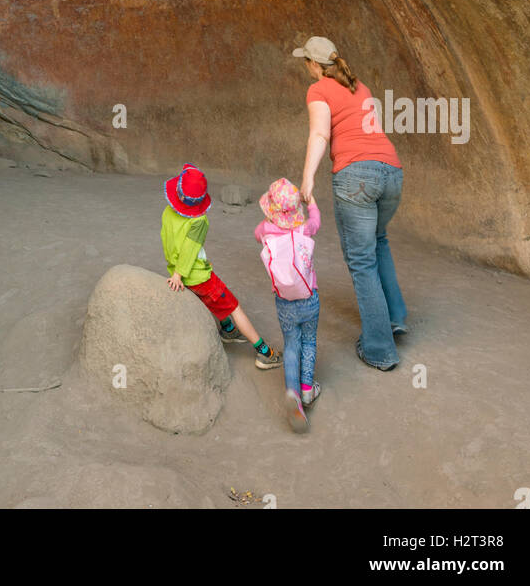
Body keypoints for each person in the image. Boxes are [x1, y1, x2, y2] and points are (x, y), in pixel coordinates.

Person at [294, 36, 406, 370]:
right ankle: (396, 316)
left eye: (306, 63)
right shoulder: (361, 86)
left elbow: (320, 134)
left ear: (314, 65)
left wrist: (308, 178)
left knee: (361, 261)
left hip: (356, 177)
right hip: (391, 173)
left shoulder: (319, 90)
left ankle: (379, 350)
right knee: (378, 240)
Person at [162, 164, 282, 369]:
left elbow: (168, 240)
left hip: (178, 271)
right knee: (235, 307)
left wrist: (175, 272)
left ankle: (227, 329)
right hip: (196, 276)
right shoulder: (199, 221)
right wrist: (180, 274)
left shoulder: (168, 212)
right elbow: (190, 250)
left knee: (215, 299)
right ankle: (264, 352)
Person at [255, 179, 321, 432]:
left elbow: (257, 234)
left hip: (284, 301)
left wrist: (270, 226)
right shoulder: (304, 229)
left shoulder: (266, 229)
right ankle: (307, 389)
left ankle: (292, 391)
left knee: (292, 343)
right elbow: (316, 221)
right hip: (309, 297)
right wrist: (312, 203)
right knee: (309, 341)